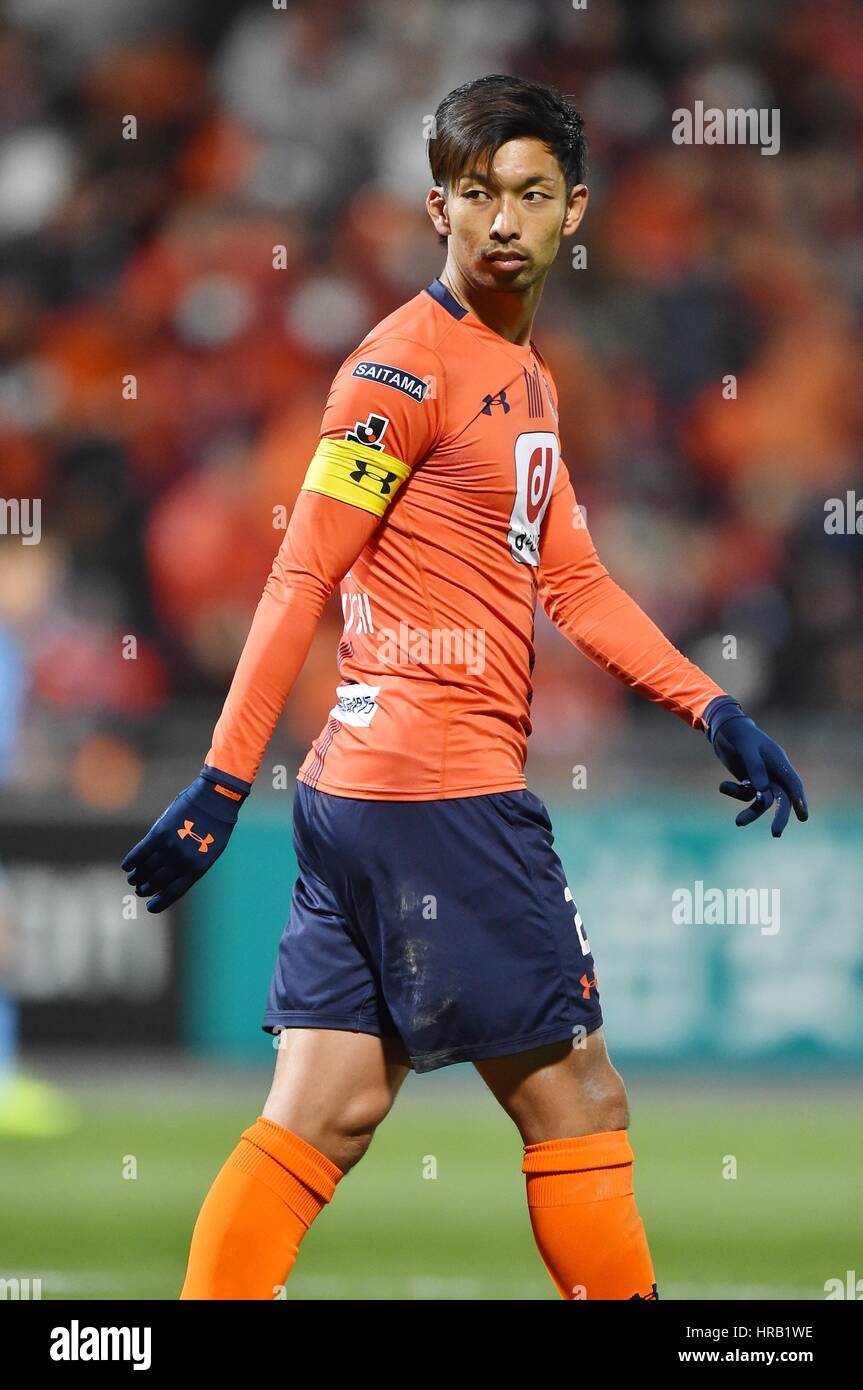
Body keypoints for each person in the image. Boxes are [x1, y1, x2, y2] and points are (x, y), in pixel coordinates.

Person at [123, 75, 808, 1301]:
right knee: (581, 1101)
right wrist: (225, 778)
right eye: (478, 194)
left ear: (574, 211)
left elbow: (577, 582)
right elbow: (298, 577)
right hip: (436, 795)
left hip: (362, 800)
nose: (502, 220)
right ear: (436, 203)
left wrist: (710, 706)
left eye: (530, 195)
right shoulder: (397, 371)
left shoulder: (525, 378)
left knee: (320, 1114)